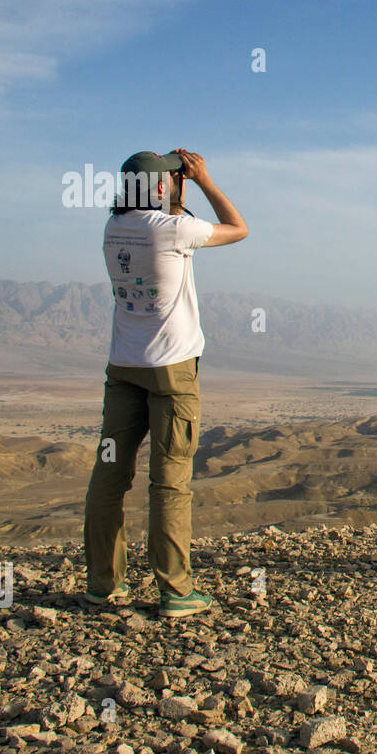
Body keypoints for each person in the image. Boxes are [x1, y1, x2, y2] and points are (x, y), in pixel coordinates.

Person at [82, 149, 248, 618]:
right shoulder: (173, 230)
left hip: (123, 369)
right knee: (170, 480)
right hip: (172, 371)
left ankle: (102, 583)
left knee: (109, 476)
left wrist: (170, 187)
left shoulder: (114, 229)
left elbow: (155, 216)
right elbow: (238, 228)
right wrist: (203, 180)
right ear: (163, 188)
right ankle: (175, 590)